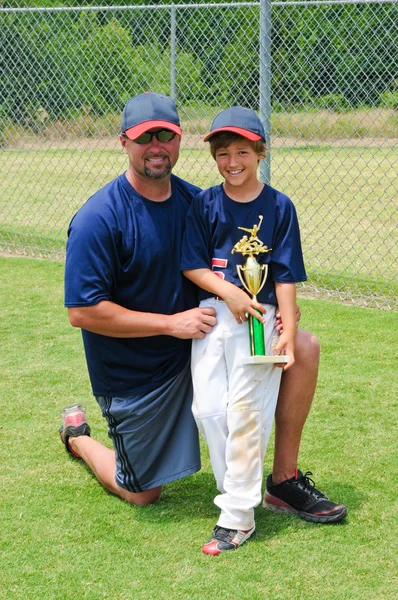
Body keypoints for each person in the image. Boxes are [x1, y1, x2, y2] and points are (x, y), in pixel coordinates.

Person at [60, 92, 347, 525]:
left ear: (179, 141)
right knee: (143, 494)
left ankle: (283, 480)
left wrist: (282, 310)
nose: (156, 146)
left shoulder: (202, 203)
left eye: (166, 135)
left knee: (302, 347)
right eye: (144, 138)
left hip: (203, 346)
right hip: (141, 375)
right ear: (123, 143)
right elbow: (82, 312)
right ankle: (78, 438)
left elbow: (258, 264)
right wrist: (172, 324)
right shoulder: (99, 218)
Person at [181, 106, 307, 554]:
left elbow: (287, 274)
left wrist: (288, 330)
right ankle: (239, 488)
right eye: (222, 153)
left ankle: (237, 515)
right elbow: (193, 264)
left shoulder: (278, 205)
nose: (232, 162)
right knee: (209, 412)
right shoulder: (205, 203)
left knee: (246, 413)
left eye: (242, 152)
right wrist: (228, 293)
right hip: (217, 313)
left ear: (260, 152)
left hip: (260, 317)